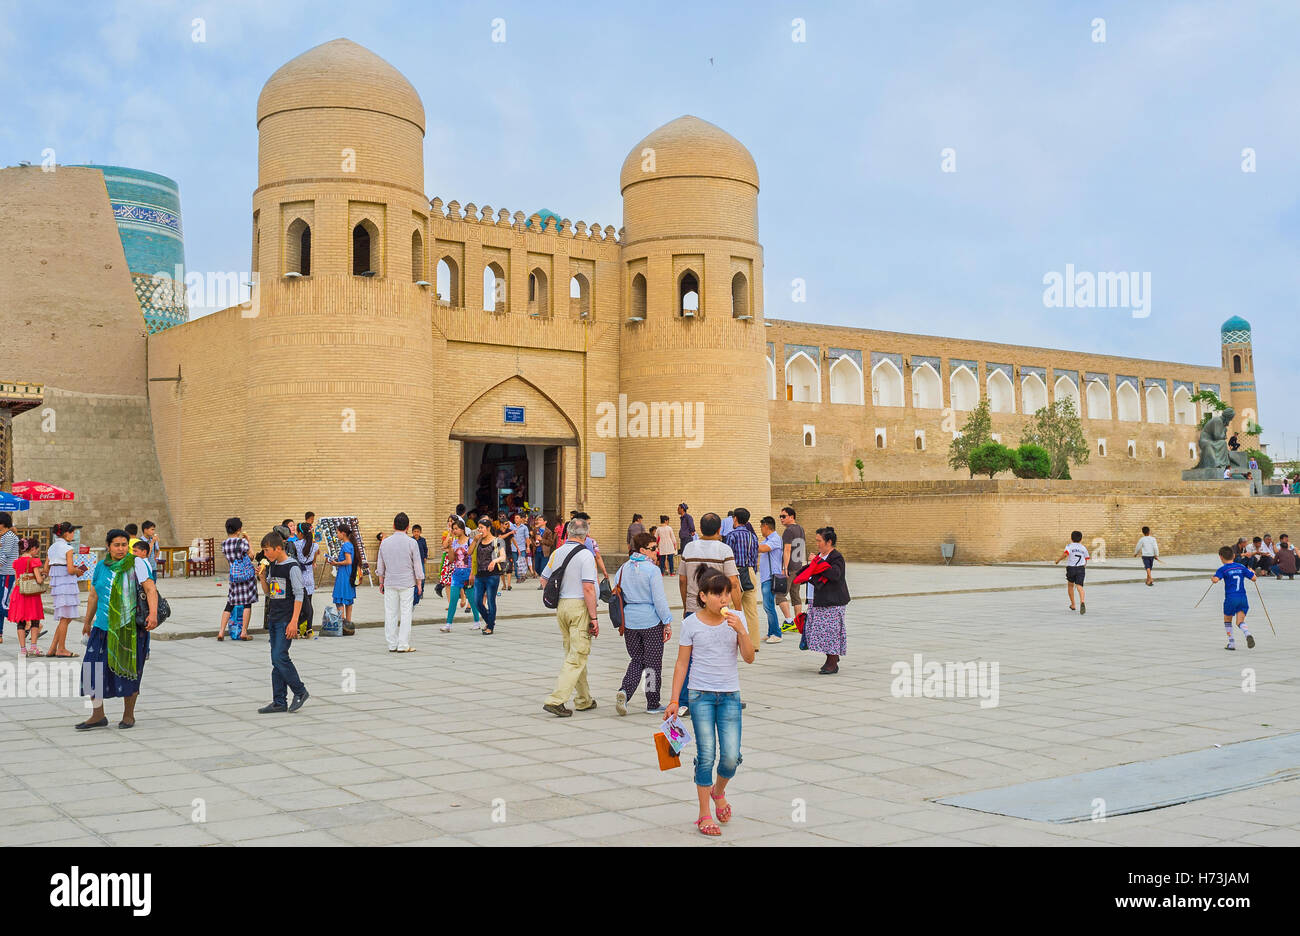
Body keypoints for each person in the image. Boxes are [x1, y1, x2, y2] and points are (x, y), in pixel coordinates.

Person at [664, 566, 754, 837]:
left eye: (727, 594)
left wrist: (741, 631)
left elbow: (749, 657)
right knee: (706, 756)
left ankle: (719, 791)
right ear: (703, 596)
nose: (724, 600)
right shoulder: (691, 623)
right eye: (718, 595)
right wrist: (672, 700)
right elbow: (682, 663)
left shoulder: (737, 618)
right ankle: (704, 814)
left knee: (730, 757)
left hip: (729, 695)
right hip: (700, 695)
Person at [77, 529, 158, 730]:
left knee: (129, 671)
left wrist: (153, 614)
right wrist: (87, 621)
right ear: (108, 546)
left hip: (128, 629)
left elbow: (150, 589)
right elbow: (94, 596)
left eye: (124, 545)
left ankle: (128, 715)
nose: (121, 549)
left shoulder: (137, 563)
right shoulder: (101, 567)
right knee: (91, 670)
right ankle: (97, 715)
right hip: (102, 627)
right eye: (117, 545)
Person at [678, 513, 741, 715]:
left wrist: (686, 605)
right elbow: (733, 582)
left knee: (687, 656)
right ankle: (721, 696)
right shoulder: (724, 550)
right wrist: (737, 610)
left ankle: (683, 701)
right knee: (720, 654)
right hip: (718, 612)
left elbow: (682, 580)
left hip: (693, 609)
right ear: (719, 530)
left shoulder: (689, 548)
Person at [541, 518, 600, 717]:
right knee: (578, 655)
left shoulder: (557, 552)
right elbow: (588, 588)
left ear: (568, 532)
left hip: (563, 607)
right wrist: (594, 617)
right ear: (586, 534)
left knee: (574, 653)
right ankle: (556, 700)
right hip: (579, 606)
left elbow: (544, 579)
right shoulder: (586, 555)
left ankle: (584, 699)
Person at [613, 532, 672, 715]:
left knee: (637, 659)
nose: (657, 551)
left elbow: (617, 593)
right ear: (642, 550)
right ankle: (652, 702)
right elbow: (659, 600)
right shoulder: (652, 570)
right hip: (651, 621)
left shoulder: (623, 569)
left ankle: (625, 691)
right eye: (653, 548)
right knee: (652, 664)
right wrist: (667, 621)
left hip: (630, 621)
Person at [256, 530, 309, 712]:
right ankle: (279, 701)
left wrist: (294, 621)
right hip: (274, 617)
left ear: (278, 548)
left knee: (280, 657)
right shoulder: (274, 566)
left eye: (267, 550)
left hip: (286, 619)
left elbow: (299, 594)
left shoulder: (292, 567)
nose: (265, 554)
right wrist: (262, 578)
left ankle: (300, 691)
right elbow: (270, 592)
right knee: (276, 660)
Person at [799, 527, 849, 674]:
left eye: (819, 541)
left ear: (829, 541)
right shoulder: (820, 556)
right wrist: (793, 576)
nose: (817, 543)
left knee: (831, 632)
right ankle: (831, 656)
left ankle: (832, 661)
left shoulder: (836, 557)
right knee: (819, 631)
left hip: (832, 601)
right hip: (818, 600)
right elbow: (809, 570)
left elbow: (835, 574)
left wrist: (818, 562)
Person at [376, 512, 424, 653]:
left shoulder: (385, 542)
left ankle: (392, 644)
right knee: (406, 613)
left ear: (393, 525)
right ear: (408, 527)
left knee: (390, 613)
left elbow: (380, 564)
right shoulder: (412, 543)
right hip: (407, 583)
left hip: (390, 582)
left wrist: (381, 581)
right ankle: (403, 644)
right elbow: (417, 564)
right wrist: (419, 582)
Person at [45, 522, 85, 657]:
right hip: (67, 585)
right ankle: (61, 648)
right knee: (65, 618)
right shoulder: (68, 548)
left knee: (65, 617)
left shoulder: (51, 548)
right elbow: (69, 569)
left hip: (57, 585)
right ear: (66, 533)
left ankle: (52, 648)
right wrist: (78, 571)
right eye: (72, 532)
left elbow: (46, 569)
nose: (73, 535)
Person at [725, 507, 762, 651]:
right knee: (751, 610)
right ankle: (754, 644)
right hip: (750, 572)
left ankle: (735, 643)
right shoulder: (753, 536)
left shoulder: (731, 535)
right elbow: (754, 558)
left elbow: (727, 557)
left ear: (735, 518)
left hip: (735, 572)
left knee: (734, 608)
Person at [1212, 545, 1256, 651]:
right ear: (1234, 556)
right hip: (1242, 598)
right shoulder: (1241, 567)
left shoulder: (1223, 569)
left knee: (1228, 620)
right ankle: (1247, 633)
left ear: (1221, 557)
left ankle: (1231, 643)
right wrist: (1252, 572)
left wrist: (1213, 578)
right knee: (1240, 621)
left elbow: (1216, 580)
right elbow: (1254, 578)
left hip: (1231, 598)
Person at [221, 517, 257, 641]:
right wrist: (249, 541)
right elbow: (252, 556)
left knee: (230, 603)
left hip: (234, 576)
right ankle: (244, 632)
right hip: (246, 578)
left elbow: (230, 560)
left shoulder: (224, 544)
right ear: (239, 529)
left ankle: (221, 632)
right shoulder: (242, 543)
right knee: (247, 603)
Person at [9, 537, 47, 656]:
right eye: (36, 549)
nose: (36, 552)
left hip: (19, 592)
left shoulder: (17, 562)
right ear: (32, 549)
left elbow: (17, 580)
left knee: (21, 621)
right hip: (31, 595)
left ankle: (23, 650)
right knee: (35, 619)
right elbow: (39, 580)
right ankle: (33, 648)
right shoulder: (33, 561)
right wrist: (44, 576)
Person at [440, 520, 479, 632]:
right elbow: (451, 560)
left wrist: (473, 573)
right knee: (453, 599)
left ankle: (477, 621)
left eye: (456, 528)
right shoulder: (454, 543)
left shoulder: (470, 541)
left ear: (462, 529)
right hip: (456, 574)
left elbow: (473, 558)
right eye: (453, 529)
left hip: (468, 573)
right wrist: (451, 549)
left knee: (471, 599)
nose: (455, 531)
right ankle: (448, 624)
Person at [471, 518, 503, 634]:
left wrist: (494, 561)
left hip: (492, 576)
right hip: (479, 575)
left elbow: (503, 556)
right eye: (478, 528)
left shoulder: (497, 541)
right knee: (477, 601)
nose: (479, 530)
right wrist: (474, 541)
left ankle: (490, 627)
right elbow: (469, 553)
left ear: (488, 529)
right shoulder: (478, 540)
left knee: (490, 601)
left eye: (482, 528)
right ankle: (490, 621)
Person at [777, 507, 806, 632]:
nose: (781, 519)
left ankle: (789, 621)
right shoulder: (800, 529)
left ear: (792, 517)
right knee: (795, 595)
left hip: (791, 568)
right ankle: (798, 623)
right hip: (799, 567)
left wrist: (785, 568)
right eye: (780, 517)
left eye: (784, 516)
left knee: (780, 595)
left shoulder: (788, 531)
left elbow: (787, 550)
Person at [329, 524, 361, 631]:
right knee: (348, 599)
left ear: (343, 533)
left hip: (344, 575)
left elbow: (348, 561)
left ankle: (342, 622)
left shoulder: (346, 545)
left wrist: (336, 563)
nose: (337, 535)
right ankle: (348, 623)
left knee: (339, 598)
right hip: (348, 574)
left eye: (337, 532)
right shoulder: (351, 545)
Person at [757, 516, 784, 643]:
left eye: (761, 527)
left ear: (766, 526)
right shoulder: (768, 539)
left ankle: (777, 634)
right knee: (768, 605)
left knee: (769, 606)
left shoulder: (775, 539)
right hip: (765, 577)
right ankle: (770, 632)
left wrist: (748, 542)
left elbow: (762, 549)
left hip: (771, 577)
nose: (761, 530)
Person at [1054, 530, 1089, 614]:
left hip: (1071, 568)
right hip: (1081, 568)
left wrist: (1058, 560)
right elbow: (1086, 559)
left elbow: (1065, 554)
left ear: (1071, 538)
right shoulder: (1083, 548)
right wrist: (1083, 567)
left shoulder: (1069, 546)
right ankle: (1082, 601)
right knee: (1079, 586)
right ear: (1081, 539)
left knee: (1070, 585)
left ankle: (1073, 604)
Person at [294, 521, 319, 637]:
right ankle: (309, 629)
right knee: (309, 603)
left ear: (300, 533)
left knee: (299, 604)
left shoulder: (296, 544)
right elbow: (314, 560)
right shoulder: (315, 546)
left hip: (299, 576)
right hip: (309, 576)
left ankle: (298, 629)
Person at [0, 511, 16, 644]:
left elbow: (4, 557)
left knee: (2, 604)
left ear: (2, 524)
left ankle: (26, 622)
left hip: (7, 574)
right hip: (2, 573)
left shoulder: (9, 536)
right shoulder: (3, 536)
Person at [410, 524, 429, 608]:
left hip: (420, 561)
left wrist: (425, 557)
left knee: (422, 577)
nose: (416, 533)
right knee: (413, 578)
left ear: (420, 532)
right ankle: (415, 592)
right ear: (412, 532)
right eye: (415, 531)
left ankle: (421, 591)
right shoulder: (410, 540)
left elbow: (425, 549)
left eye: (418, 531)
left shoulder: (423, 540)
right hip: (412, 562)